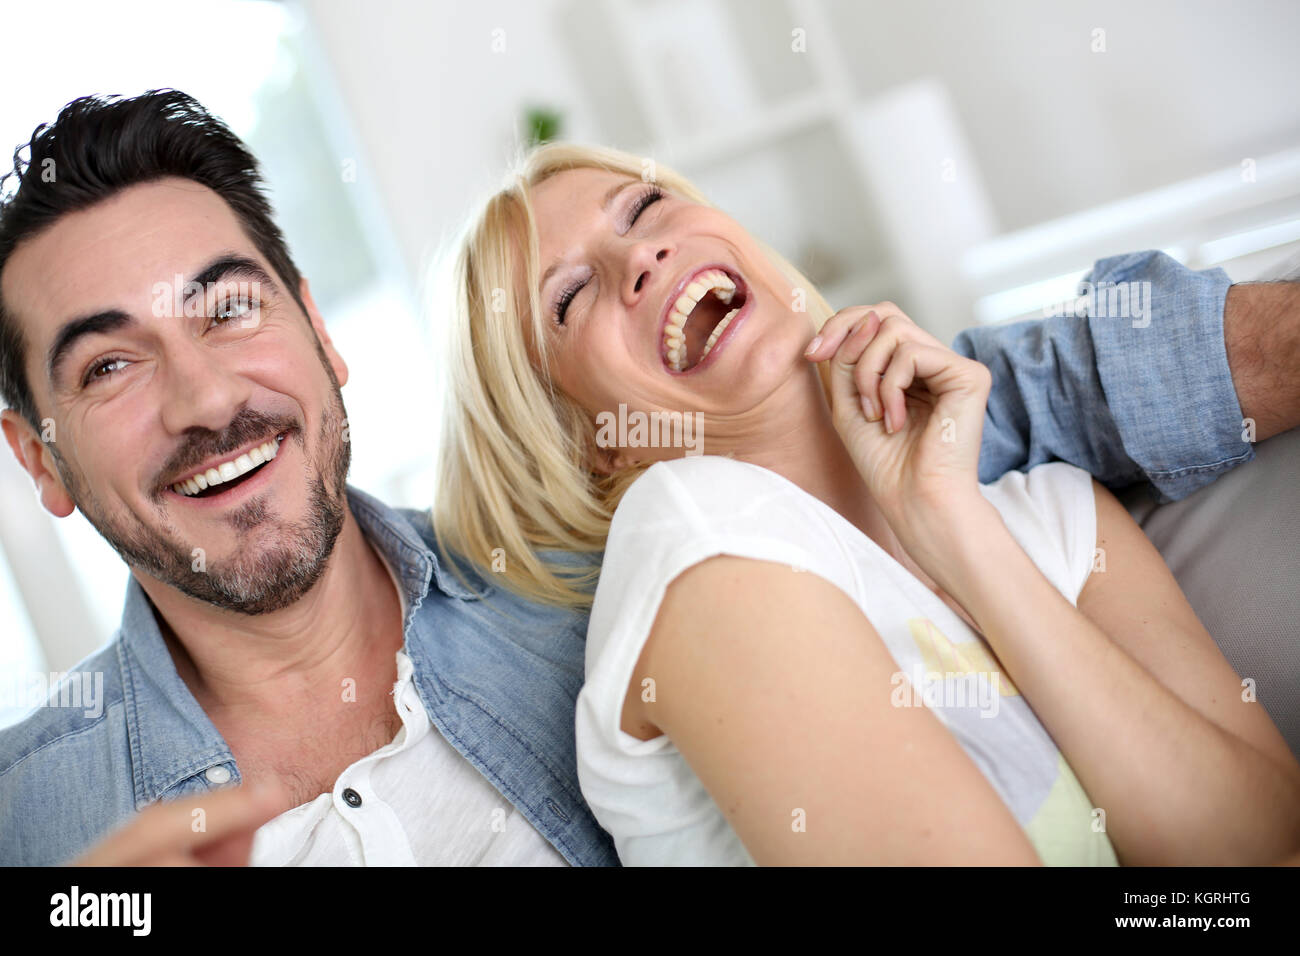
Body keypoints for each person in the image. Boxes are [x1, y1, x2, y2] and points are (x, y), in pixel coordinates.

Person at [0, 94, 1294, 866]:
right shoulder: (33, 823)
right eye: (107, 366)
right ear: (33, 457)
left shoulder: (572, 597)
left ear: (326, 340)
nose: (203, 397)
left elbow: (973, 412)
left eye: (228, 311)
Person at [435, 142, 1300, 865]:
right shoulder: (685, 528)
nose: (641, 255)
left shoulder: (1055, 514)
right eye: (570, 297)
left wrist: (954, 527)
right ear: (595, 446)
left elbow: (1255, 843)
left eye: (643, 207)